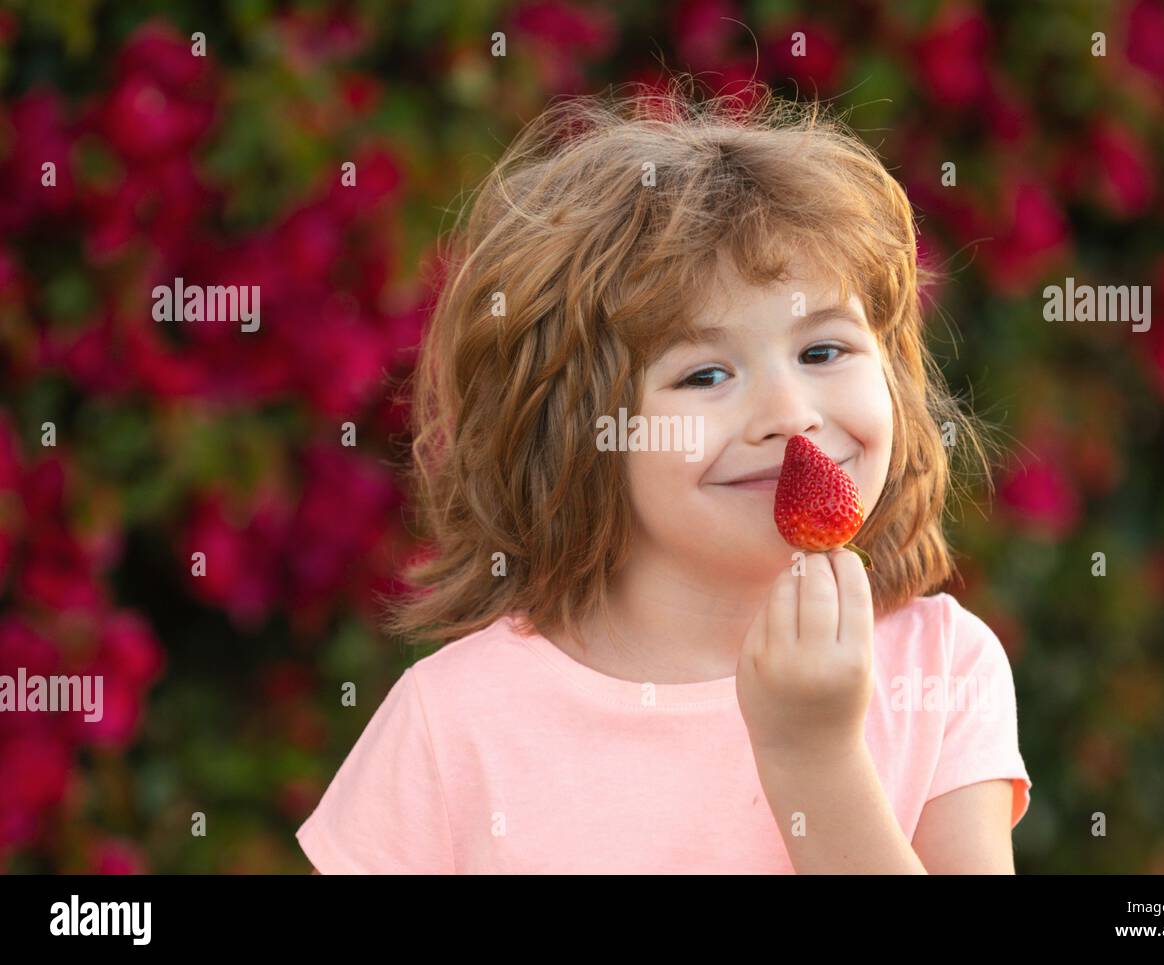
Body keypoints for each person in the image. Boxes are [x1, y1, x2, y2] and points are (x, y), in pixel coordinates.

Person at [296, 79, 1031, 874]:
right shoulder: (453, 722)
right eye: (707, 374)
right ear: (581, 428)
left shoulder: (940, 672)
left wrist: (815, 762)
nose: (789, 412)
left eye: (822, 352)